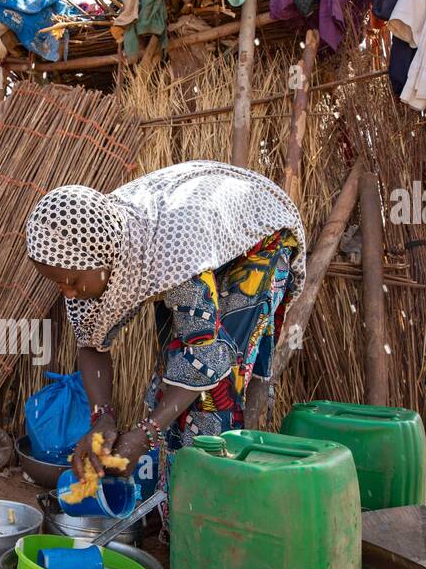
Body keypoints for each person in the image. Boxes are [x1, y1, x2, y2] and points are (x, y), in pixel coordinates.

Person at [25, 160, 307, 520]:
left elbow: (206, 359)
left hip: (256, 235)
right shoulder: (82, 257)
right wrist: (103, 419)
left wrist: (143, 435)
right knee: (173, 370)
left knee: (217, 388)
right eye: (60, 283)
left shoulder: (171, 253)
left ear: (105, 260)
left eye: (75, 282)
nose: (69, 293)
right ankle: (174, 503)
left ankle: (212, 515)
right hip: (185, 247)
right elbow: (91, 344)